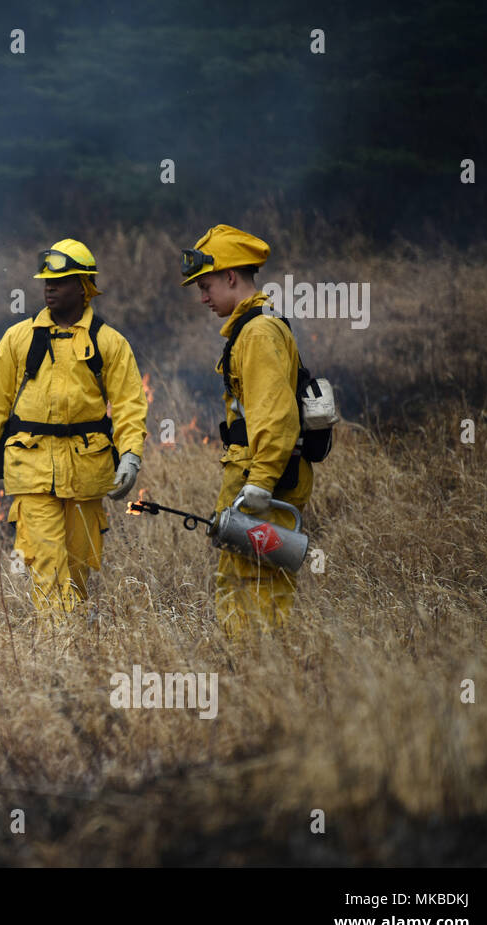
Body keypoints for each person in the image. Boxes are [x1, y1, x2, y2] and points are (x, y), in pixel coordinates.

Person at [0, 239, 147, 617]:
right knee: (46, 565)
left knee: (76, 569)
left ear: (83, 286)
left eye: (59, 281)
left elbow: (129, 406)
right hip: (30, 472)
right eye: (46, 281)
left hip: (87, 473)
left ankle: (73, 648)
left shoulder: (109, 342)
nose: (49, 288)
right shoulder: (19, 338)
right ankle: (61, 650)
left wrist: (131, 457)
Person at [180, 224, 312, 639]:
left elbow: (275, 417)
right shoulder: (254, 327)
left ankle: (255, 670)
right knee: (249, 581)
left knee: (251, 585)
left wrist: (260, 483)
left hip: (262, 485)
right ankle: (256, 673)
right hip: (256, 479)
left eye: (206, 286)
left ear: (231, 277)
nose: (203, 298)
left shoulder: (256, 332)